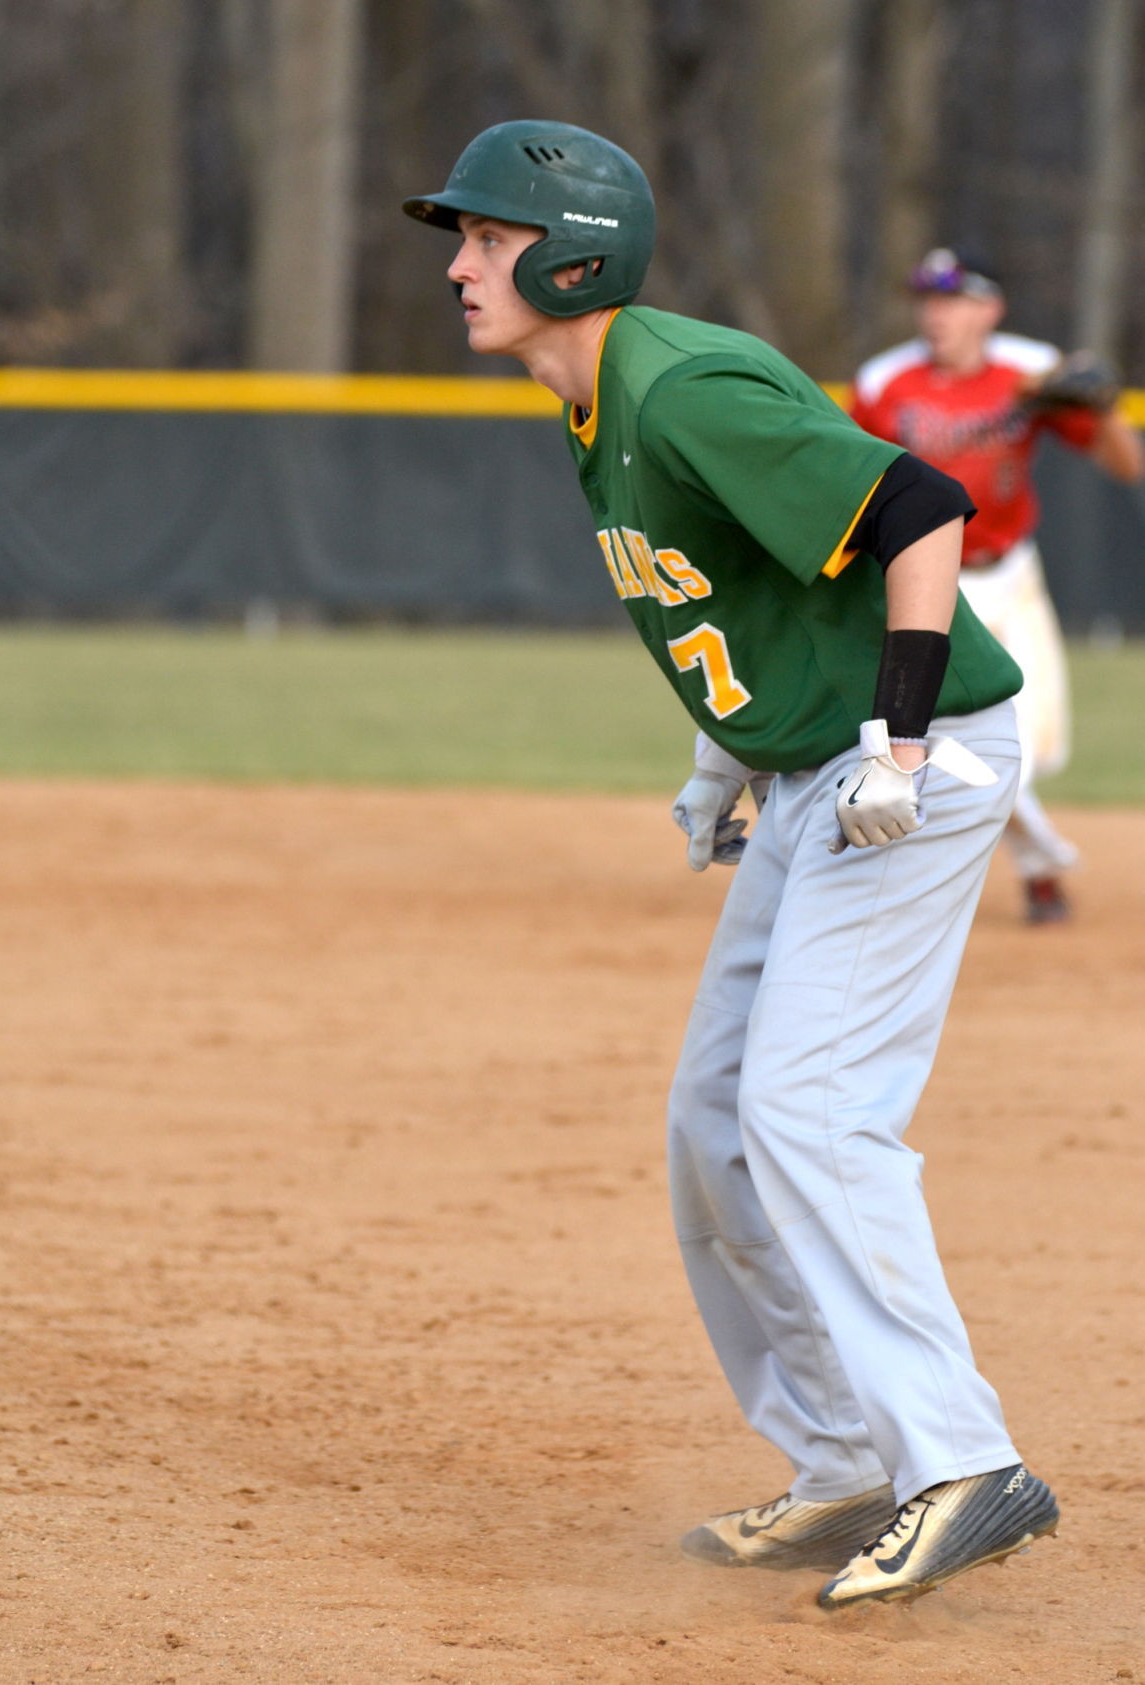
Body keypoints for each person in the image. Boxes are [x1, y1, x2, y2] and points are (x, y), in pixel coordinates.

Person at [403, 121, 1060, 1610]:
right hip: (809, 761)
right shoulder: (588, 398)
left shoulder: (680, 385)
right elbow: (745, 588)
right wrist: (724, 755)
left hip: (920, 755)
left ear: (572, 256)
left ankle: (962, 1461)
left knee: (808, 1108)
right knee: (716, 1126)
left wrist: (892, 744)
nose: (457, 265)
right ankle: (840, 1457)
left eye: (488, 239)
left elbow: (916, 510)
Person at [850, 247, 1145, 923]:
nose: (936, 314)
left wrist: (1102, 410)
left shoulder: (1028, 371)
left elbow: (1126, 466)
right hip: (927, 583)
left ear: (990, 309)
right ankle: (1039, 867)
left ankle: (1037, 860)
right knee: (966, 736)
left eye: (952, 300)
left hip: (1011, 577)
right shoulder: (885, 381)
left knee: (1035, 745)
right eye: (927, 299)